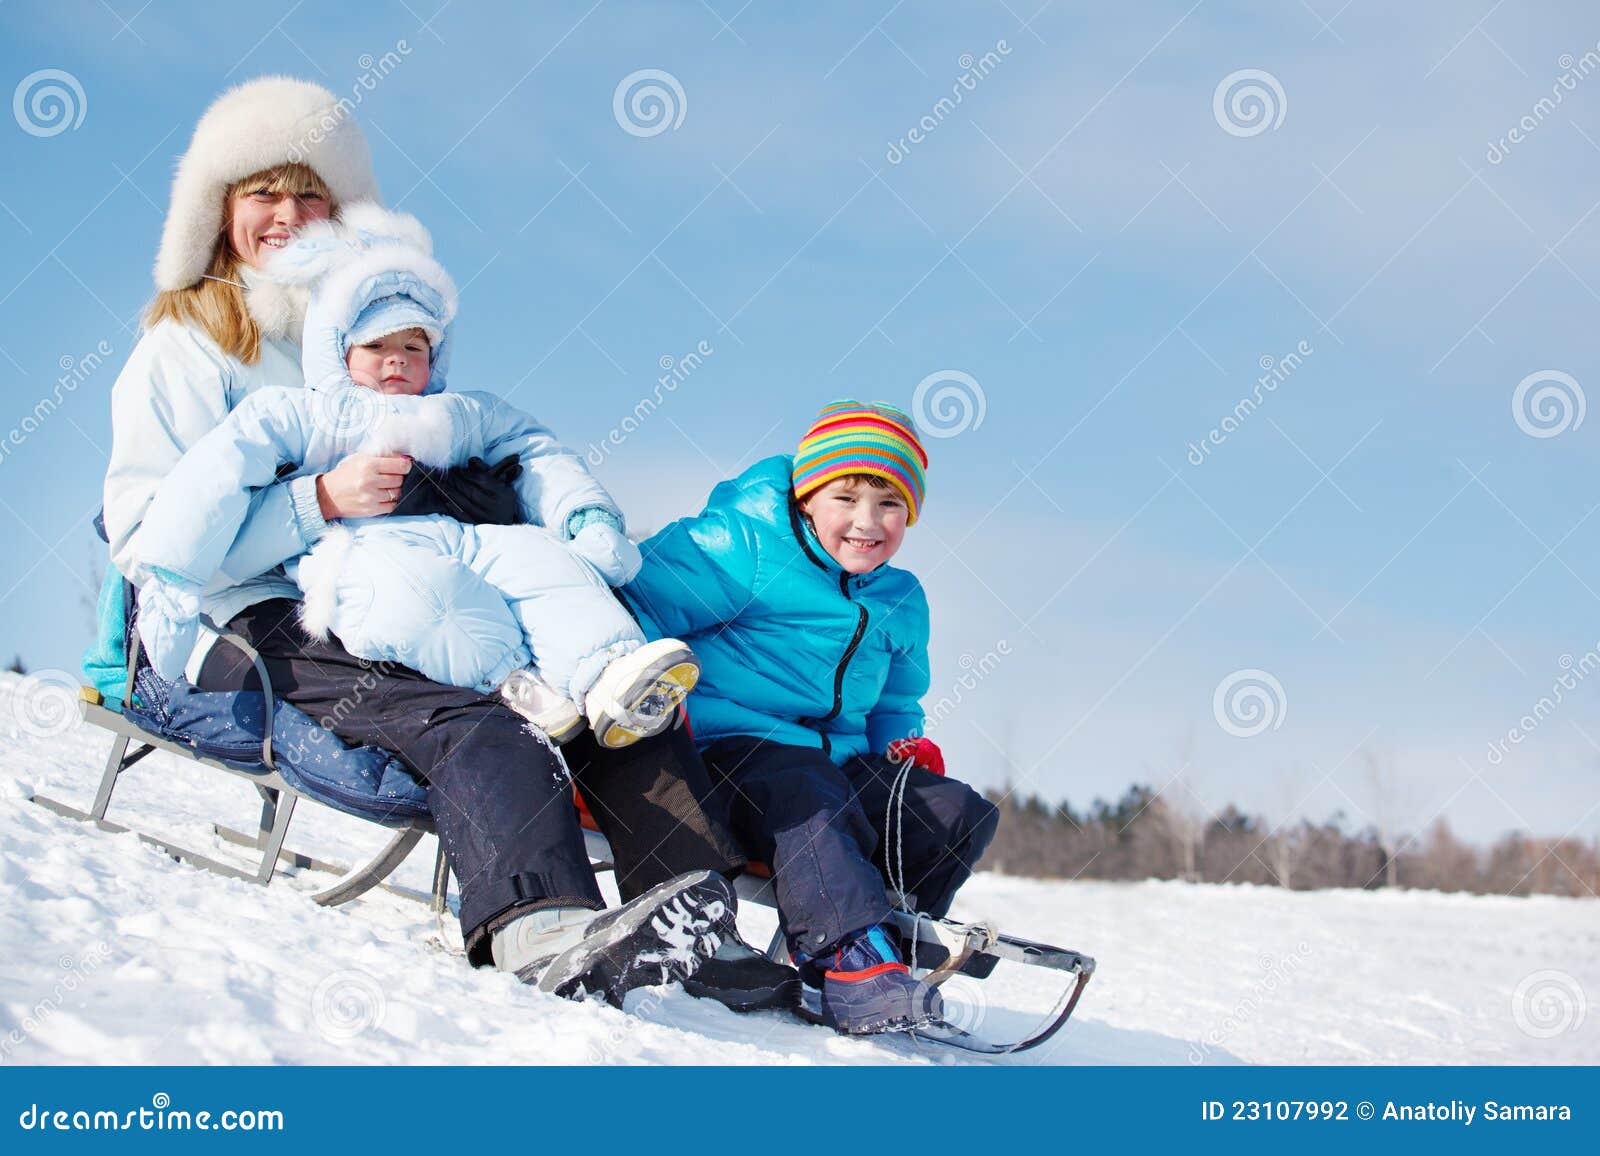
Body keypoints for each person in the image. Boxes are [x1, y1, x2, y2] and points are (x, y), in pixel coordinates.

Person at [90, 76, 795, 1012]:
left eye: (313, 196)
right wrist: (317, 504)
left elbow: (488, 447)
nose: (289, 217)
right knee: (478, 722)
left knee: (604, 690)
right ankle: (539, 923)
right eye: (264, 194)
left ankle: (695, 921)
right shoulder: (184, 347)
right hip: (238, 617)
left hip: (404, 587)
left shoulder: (374, 332)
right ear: (219, 213)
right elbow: (149, 543)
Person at [127, 204, 698, 750]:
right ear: (338, 350)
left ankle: (607, 673)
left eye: (413, 345)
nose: (396, 359)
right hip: (362, 545)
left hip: (469, 536)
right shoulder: (302, 412)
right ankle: (509, 684)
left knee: (545, 565)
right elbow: (216, 472)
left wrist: (585, 515)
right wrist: (174, 577)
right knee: (420, 597)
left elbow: (534, 448)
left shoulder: (461, 412)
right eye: (376, 345)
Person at [621, 400, 1001, 1034]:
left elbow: (894, 700)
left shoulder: (901, 598)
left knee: (954, 811)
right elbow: (639, 602)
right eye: (846, 498)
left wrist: (902, 749)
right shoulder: (745, 545)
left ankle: (891, 938)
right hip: (727, 748)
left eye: (889, 504)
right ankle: (849, 961)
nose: (867, 522)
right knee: (808, 788)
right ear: (806, 497)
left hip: (837, 759)